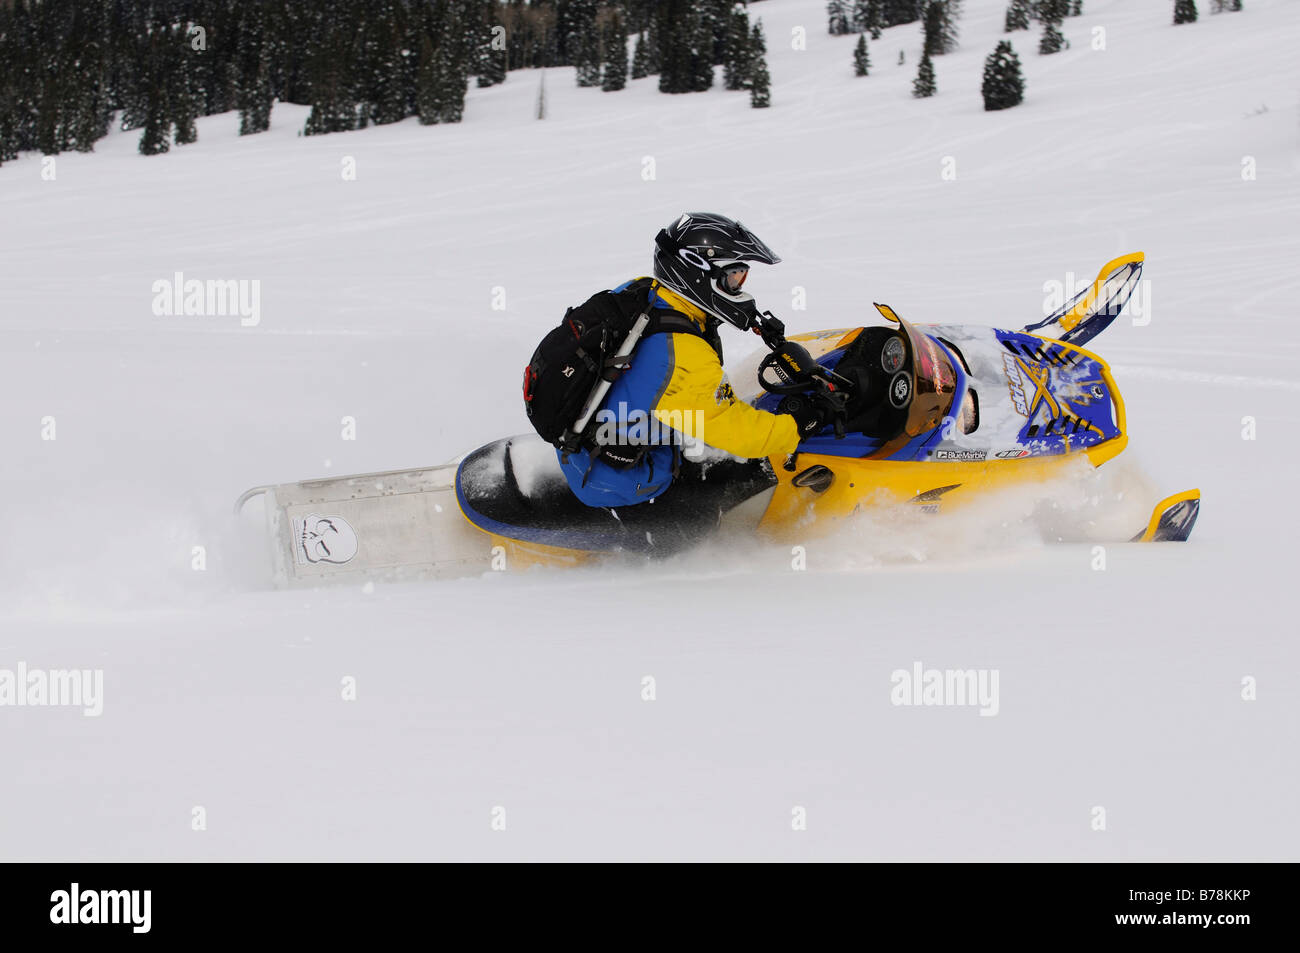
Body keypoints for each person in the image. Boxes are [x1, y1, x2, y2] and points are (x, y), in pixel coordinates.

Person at [557, 212, 837, 508]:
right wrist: (801, 424)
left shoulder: (643, 293)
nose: (739, 285)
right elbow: (743, 436)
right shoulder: (684, 355)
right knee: (735, 485)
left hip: (592, 445)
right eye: (733, 276)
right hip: (620, 478)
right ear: (698, 274)